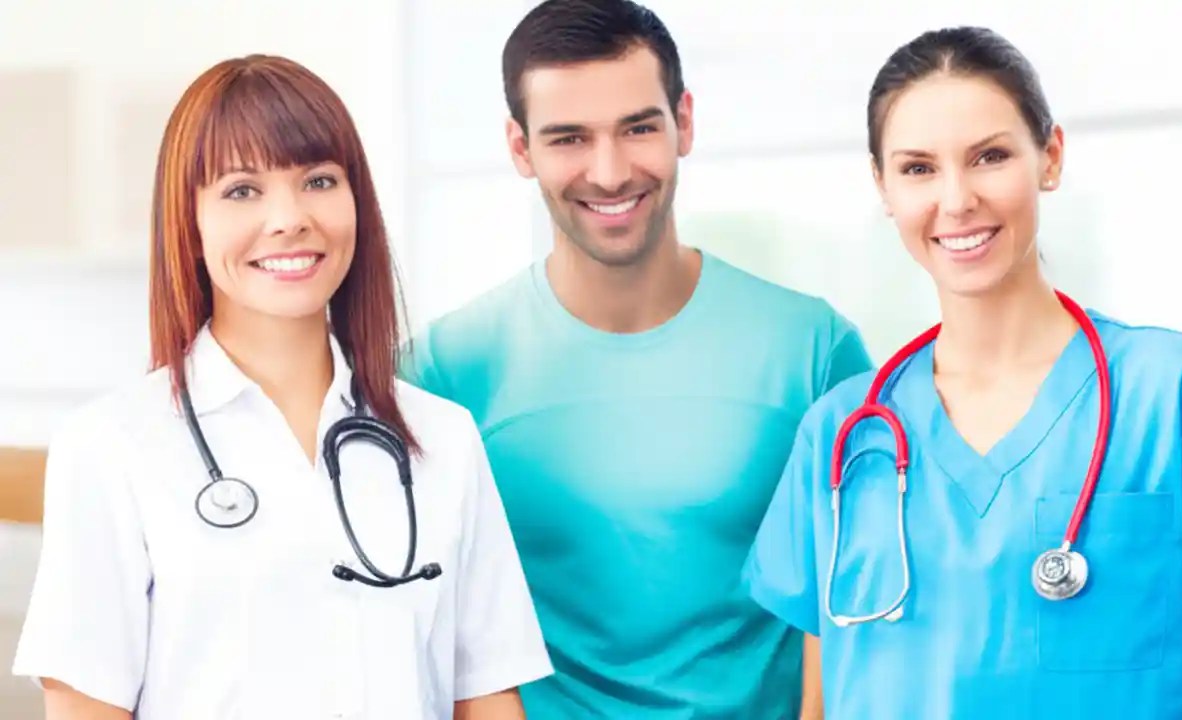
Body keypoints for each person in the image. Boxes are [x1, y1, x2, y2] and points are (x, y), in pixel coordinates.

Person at [743, 25, 1182, 719]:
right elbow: (821, 703)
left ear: (1049, 158)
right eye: (918, 169)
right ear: (883, 186)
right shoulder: (842, 438)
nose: (957, 200)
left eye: (990, 156)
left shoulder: (1171, 395)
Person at [11, 54, 552, 719]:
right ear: (189, 222)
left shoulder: (443, 438)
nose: (290, 217)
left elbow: (488, 695)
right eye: (242, 190)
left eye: (319, 180)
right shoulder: (111, 446)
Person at [398, 1, 874, 717]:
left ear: (684, 121)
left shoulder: (813, 350)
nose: (610, 172)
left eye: (638, 128)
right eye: (569, 138)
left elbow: (860, 615)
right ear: (520, 148)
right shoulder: (441, 371)